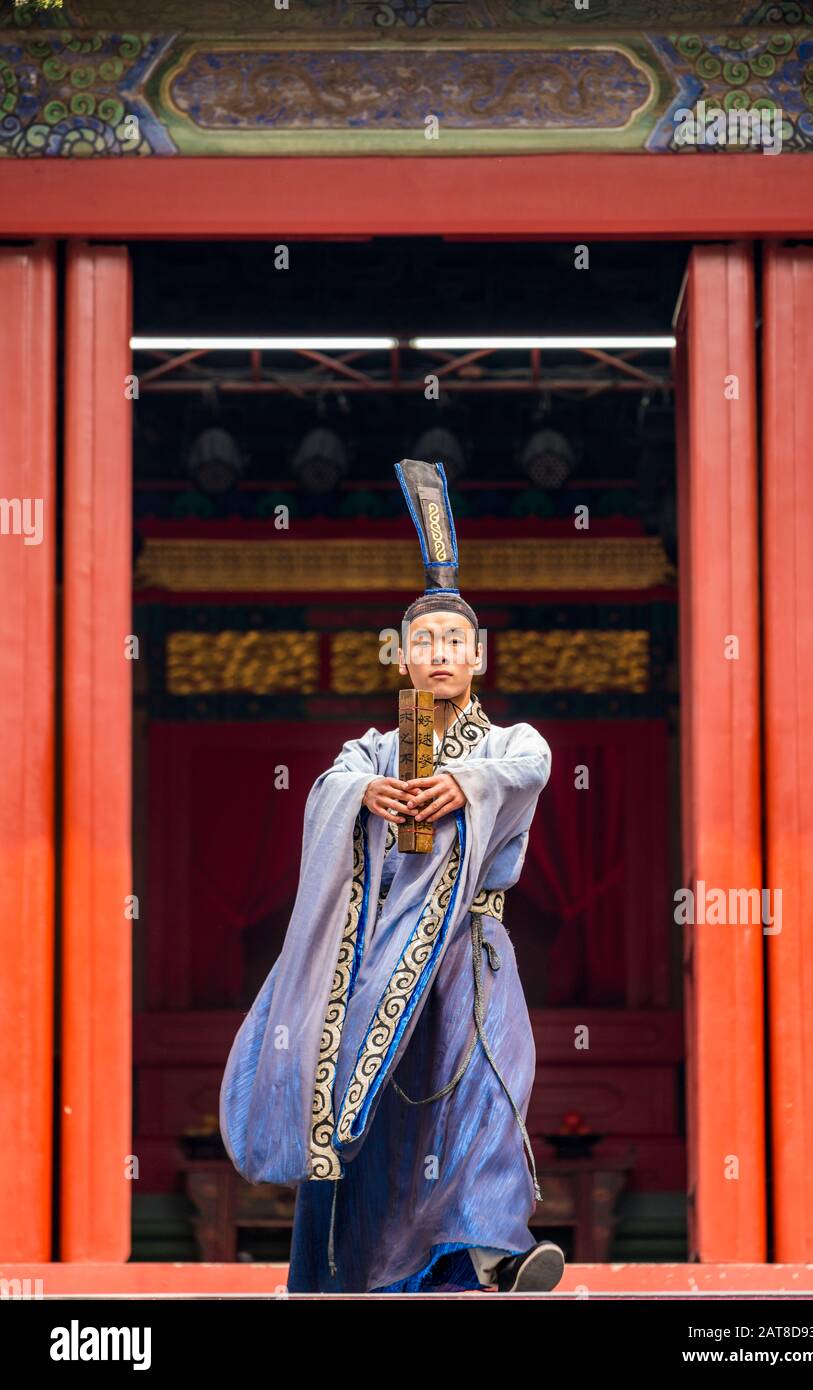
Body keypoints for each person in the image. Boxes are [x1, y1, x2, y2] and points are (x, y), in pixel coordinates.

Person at [219, 460, 564, 1293]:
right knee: (373, 1112)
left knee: (482, 1083)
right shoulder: (372, 750)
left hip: (471, 955)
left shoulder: (507, 742)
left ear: (478, 656)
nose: (439, 655)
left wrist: (468, 782)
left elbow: (531, 767)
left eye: (454, 642)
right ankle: (361, 1268)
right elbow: (329, 791)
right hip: (381, 963)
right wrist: (365, 796)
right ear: (400, 659)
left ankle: (493, 1251)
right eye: (423, 643)